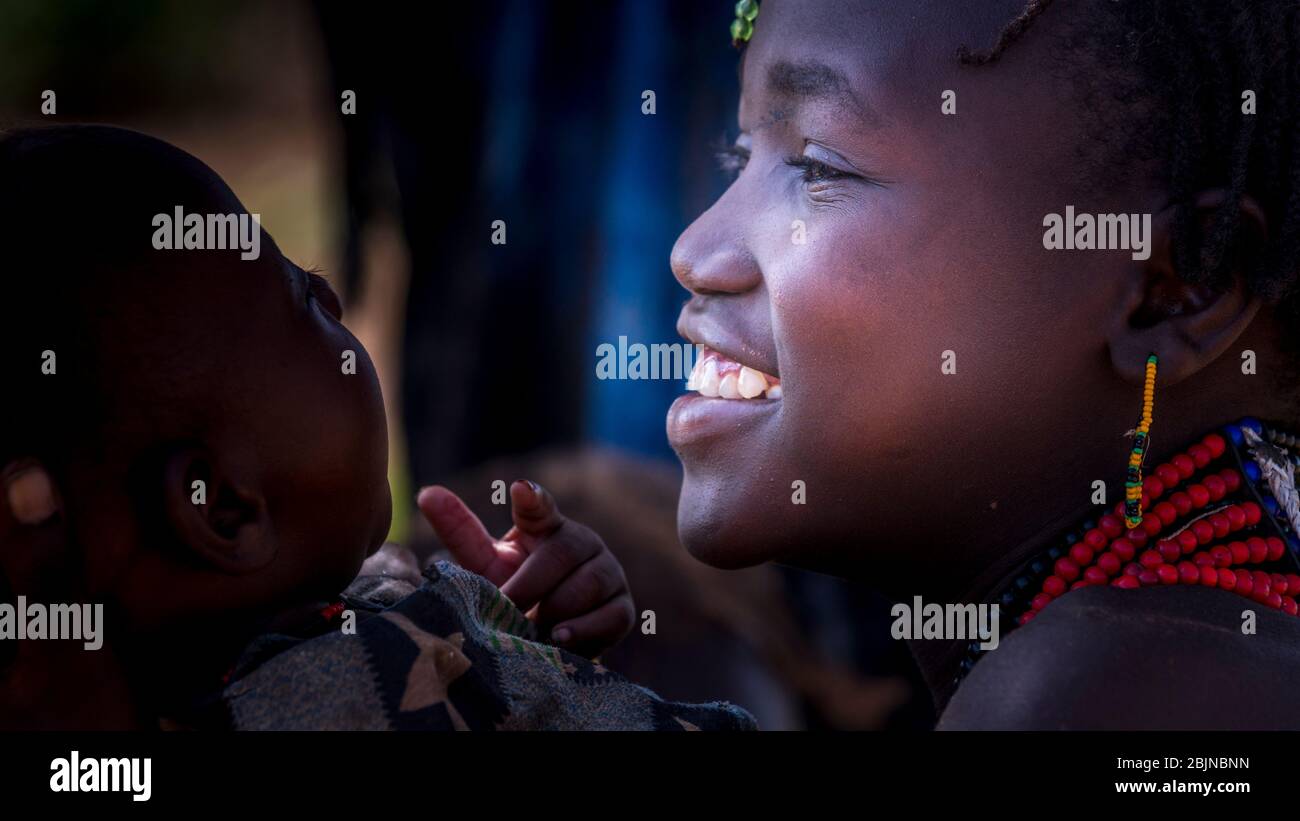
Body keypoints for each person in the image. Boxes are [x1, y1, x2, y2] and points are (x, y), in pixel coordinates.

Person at [661, 0, 1300, 728]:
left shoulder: (1094, 693)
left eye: (817, 167)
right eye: (738, 156)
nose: (694, 252)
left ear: (1177, 289)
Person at [0, 124, 753, 731]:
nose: (330, 290)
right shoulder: (381, 682)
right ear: (221, 505)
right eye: (297, 295)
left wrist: (517, 634)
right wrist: (518, 676)